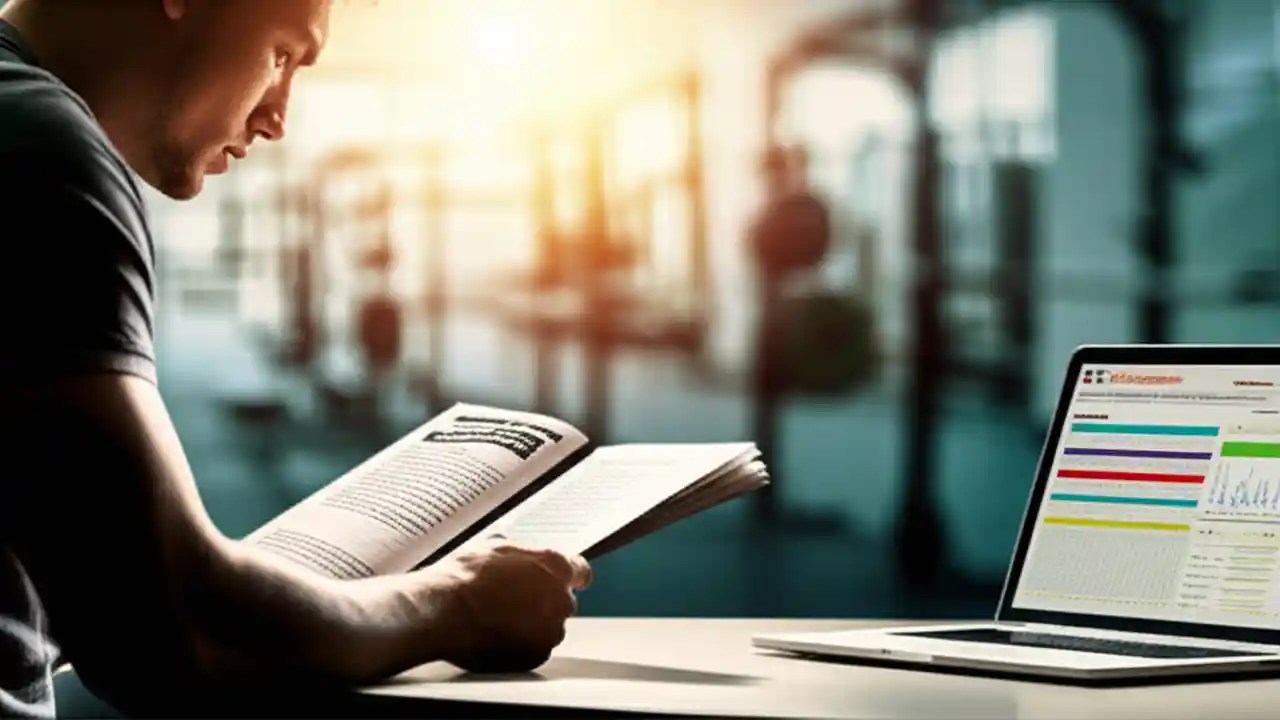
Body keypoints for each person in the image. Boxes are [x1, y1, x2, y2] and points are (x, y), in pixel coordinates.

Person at [0, 1, 592, 716]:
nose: (277, 117)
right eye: (281, 55)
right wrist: (460, 603)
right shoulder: (43, 148)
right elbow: (172, 635)